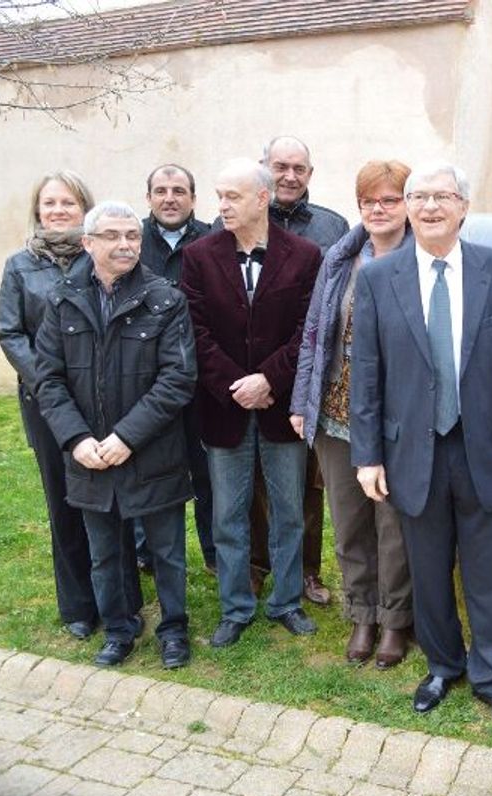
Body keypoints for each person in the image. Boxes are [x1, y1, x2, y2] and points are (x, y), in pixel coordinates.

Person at [350, 162, 492, 731]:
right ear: (408, 208)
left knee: (488, 569)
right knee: (427, 568)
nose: (430, 206)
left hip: (484, 446)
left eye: (442, 196)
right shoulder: (380, 278)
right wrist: (367, 455)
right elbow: (365, 371)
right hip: (412, 449)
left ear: (463, 206)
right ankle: (441, 665)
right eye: (419, 197)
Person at [34, 202, 196, 668]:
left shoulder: (166, 299)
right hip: (89, 456)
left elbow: (177, 379)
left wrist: (126, 437)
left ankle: (173, 631)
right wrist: (76, 440)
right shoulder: (62, 301)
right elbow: (49, 380)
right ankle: (119, 629)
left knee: (167, 552)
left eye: (131, 235)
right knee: (105, 554)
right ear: (88, 243)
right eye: (112, 236)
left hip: (152, 452)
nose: (125, 244)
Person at [182, 159, 322, 648]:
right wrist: (236, 385)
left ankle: (286, 601)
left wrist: (269, 380)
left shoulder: (305, 256)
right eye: (219, 195)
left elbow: (309, 332)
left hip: (282, 406)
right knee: (228, 514)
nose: (222, 205)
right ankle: (236, 605)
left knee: (289, 510)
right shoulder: (199, 256)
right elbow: (195, 332)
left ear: (262, 198)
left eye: (233, 196)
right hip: (224, 407)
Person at [290, 160, 415, 668]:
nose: (379, 209)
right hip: (337, 415)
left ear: (407, 205)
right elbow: (314, 334)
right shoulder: (341, 259)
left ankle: (396, 620)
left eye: (390, 199)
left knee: (394, 526)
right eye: (369, 201)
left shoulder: (421, 260)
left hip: (396, 420)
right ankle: (362, 612)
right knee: (349, 523)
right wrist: (303, 402)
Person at [0, 170, 122, 641]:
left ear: (84, 208)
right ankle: (78, 605)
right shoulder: (20, 266)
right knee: (64, 502)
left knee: (110, 500)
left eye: (68, 203)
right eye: (49, 203)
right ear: (37, 210)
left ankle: (119, 597)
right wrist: (49, 381)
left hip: (102, 400)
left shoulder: (102, 258)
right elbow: (11, 332)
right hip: (47, 403)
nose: (58, 211)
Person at [252, 135, 350, 606]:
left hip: (311, 374)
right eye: (280, 166)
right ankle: (256, 565)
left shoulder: (332, 227)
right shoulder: (243, 220)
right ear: (263, 168)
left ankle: (308, 570)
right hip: (252, 377)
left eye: (299, 168)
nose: (289, 176)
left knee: (310, 480)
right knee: (253, 478)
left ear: (310, 174)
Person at [137, 163, 216, 576]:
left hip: (204, 381)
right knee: (149, 469)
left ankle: (213, 552)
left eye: (179, 190)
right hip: (146, 383)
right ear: (148, 197)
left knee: (207, 473)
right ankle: (146, 552)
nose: (170, 198)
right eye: (161, 190)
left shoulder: (213, 240)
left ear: (193, 198)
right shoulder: (132, 240)